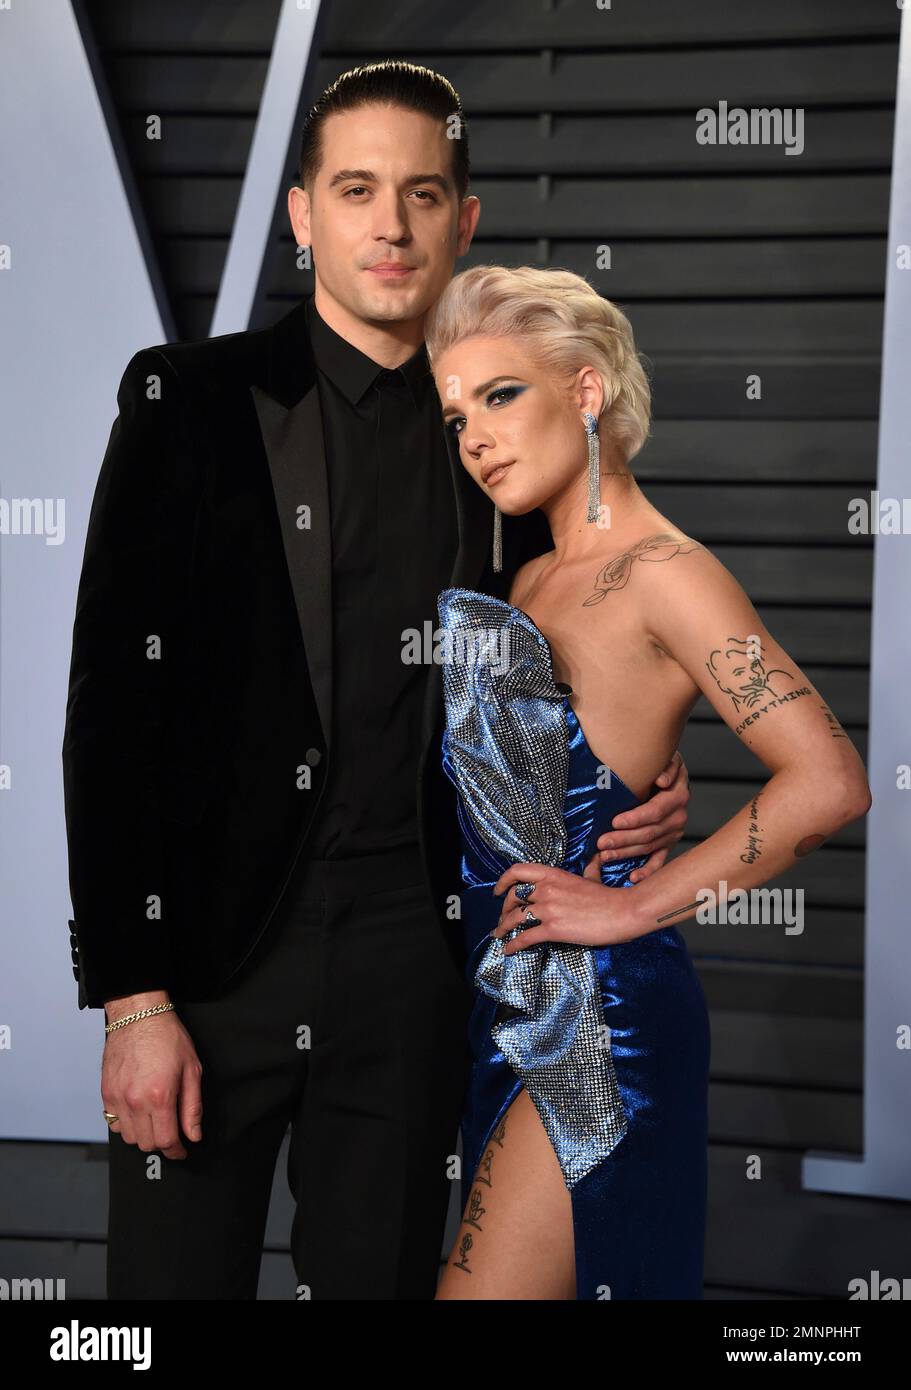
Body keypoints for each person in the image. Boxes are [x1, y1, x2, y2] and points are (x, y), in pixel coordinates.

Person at [61, 62, 692, 1301]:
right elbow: (108, 715)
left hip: (417, 959)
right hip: (212, 962)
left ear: (466, 220)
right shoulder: (184, 403)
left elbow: (601, 624)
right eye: (355, 190)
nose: (388, 225)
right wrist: (132, 998)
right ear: (303, 214)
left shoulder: (501, 434)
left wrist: (644, 768)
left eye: (420, 192)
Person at [423, 263, 873, 1300]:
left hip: (596, 1016)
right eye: (456, 417)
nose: (475, 436)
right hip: (502, 997)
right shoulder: (530, 575)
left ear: (585, 391)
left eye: (498, 396)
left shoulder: (663, 571)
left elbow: (827, 781)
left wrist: (630, 909)